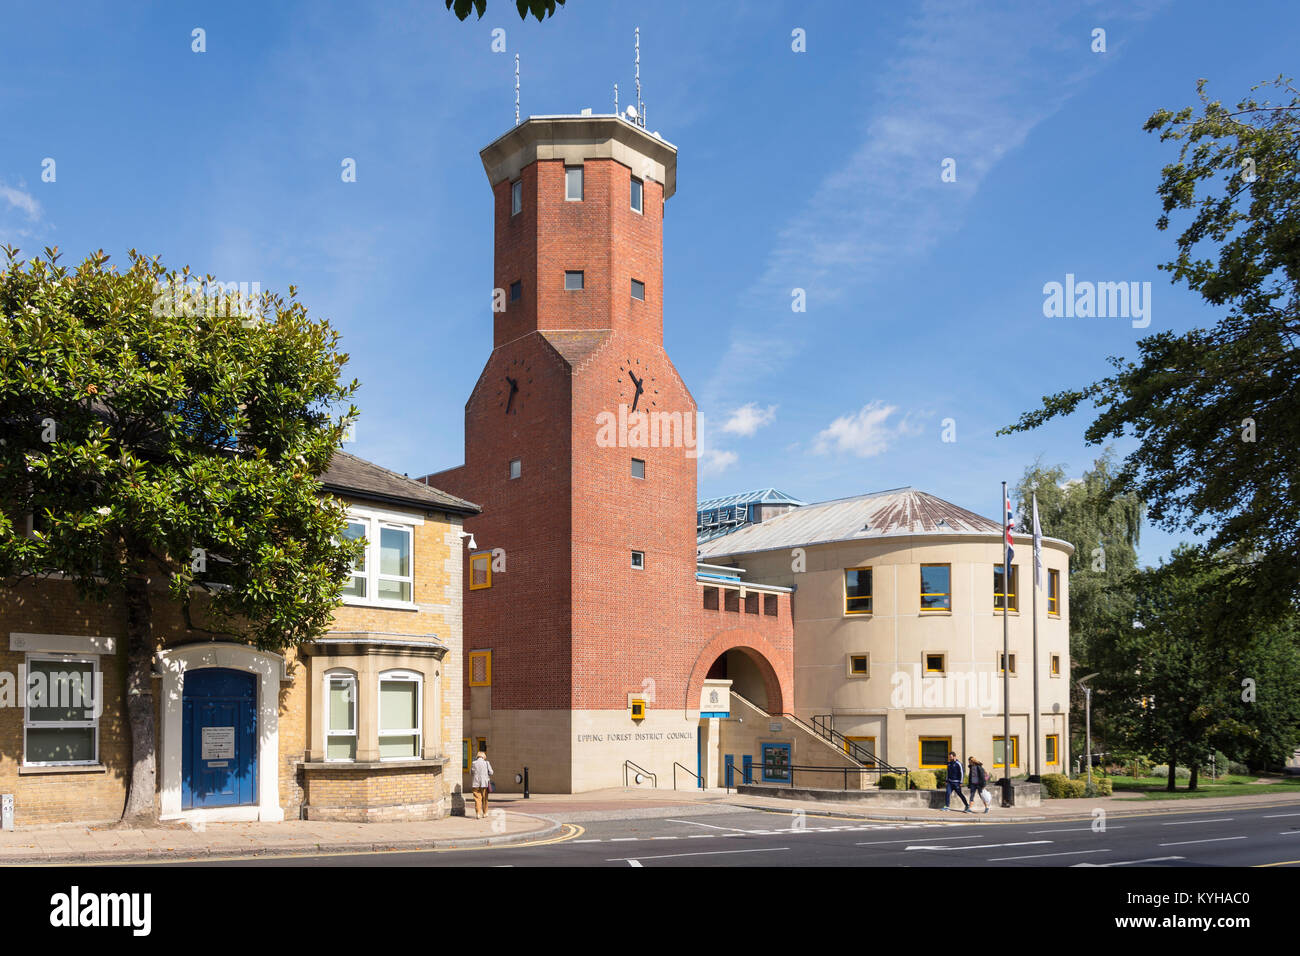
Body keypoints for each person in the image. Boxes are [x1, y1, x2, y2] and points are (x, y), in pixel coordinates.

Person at [470, 749, 494, 819]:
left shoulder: (473, 763)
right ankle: (485, 813)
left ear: (477, 756)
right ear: (484, 757)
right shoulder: (486, 763)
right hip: (484, 783)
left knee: (477, 799)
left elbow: (471, 773)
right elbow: (491, 772)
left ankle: (478, 813)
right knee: (485, 798)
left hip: (475, 783)